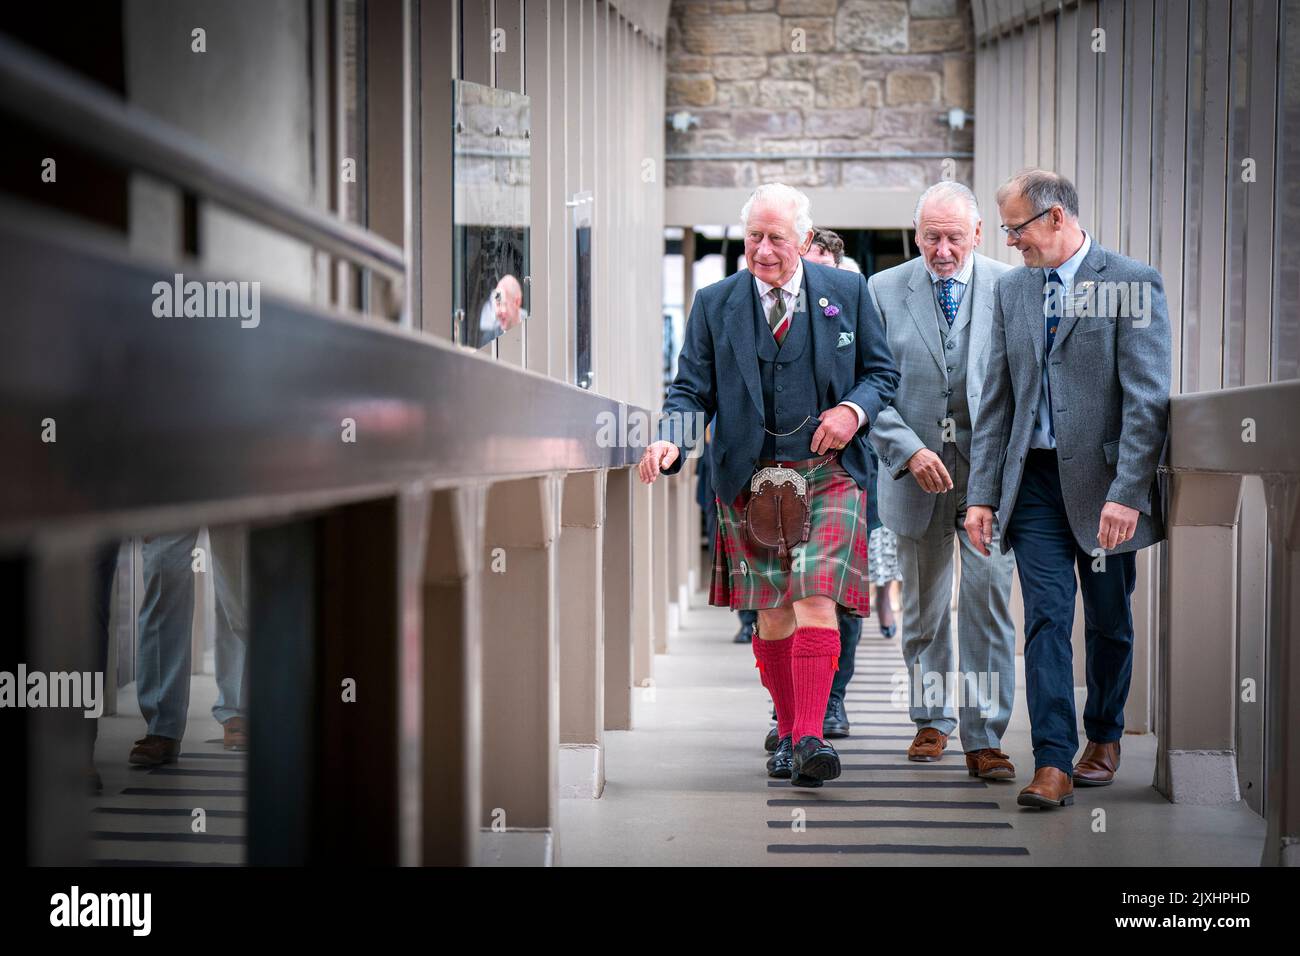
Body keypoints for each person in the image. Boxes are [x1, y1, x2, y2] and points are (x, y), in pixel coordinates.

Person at [639, 182, 898, 787]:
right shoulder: (714, 302)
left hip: (828, 472)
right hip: (749, 477)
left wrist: (851, 412)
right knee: (772, 613)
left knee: (813, 598)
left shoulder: (847, 292)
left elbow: (881, 373)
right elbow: (690, 389)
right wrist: (672, 438)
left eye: (776, 238)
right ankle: (787, 729)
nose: (763, 250)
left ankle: (809, 738)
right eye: (754, 236)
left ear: (804, 241)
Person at [966, 169, 1171, 808]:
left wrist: (1128, 491)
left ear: (1056, 217)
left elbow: (1147, 399)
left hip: (1107, 487)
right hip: (1034, 485)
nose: (1011, 243)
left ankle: (1103, 736)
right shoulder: (1014, 292)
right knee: (1047, 618)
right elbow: (997, 399)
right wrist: (981, 493)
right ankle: (1051, 761)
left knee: (1108, 620)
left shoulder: (1130, 282)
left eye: (1016, 228)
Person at [867, 181, 1019, 778]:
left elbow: (1027, 387)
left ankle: (984, 736)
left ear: (978, 235)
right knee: (925, 610)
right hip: (915, 480)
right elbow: (867, 388)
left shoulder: (1012, 287)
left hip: (988, 482)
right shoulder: (881, 291)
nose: (943, 249)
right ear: (916, 235)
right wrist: (907, 450)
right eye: (931, 236)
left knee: (986, 605)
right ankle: (931, 720)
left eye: (955, 236)